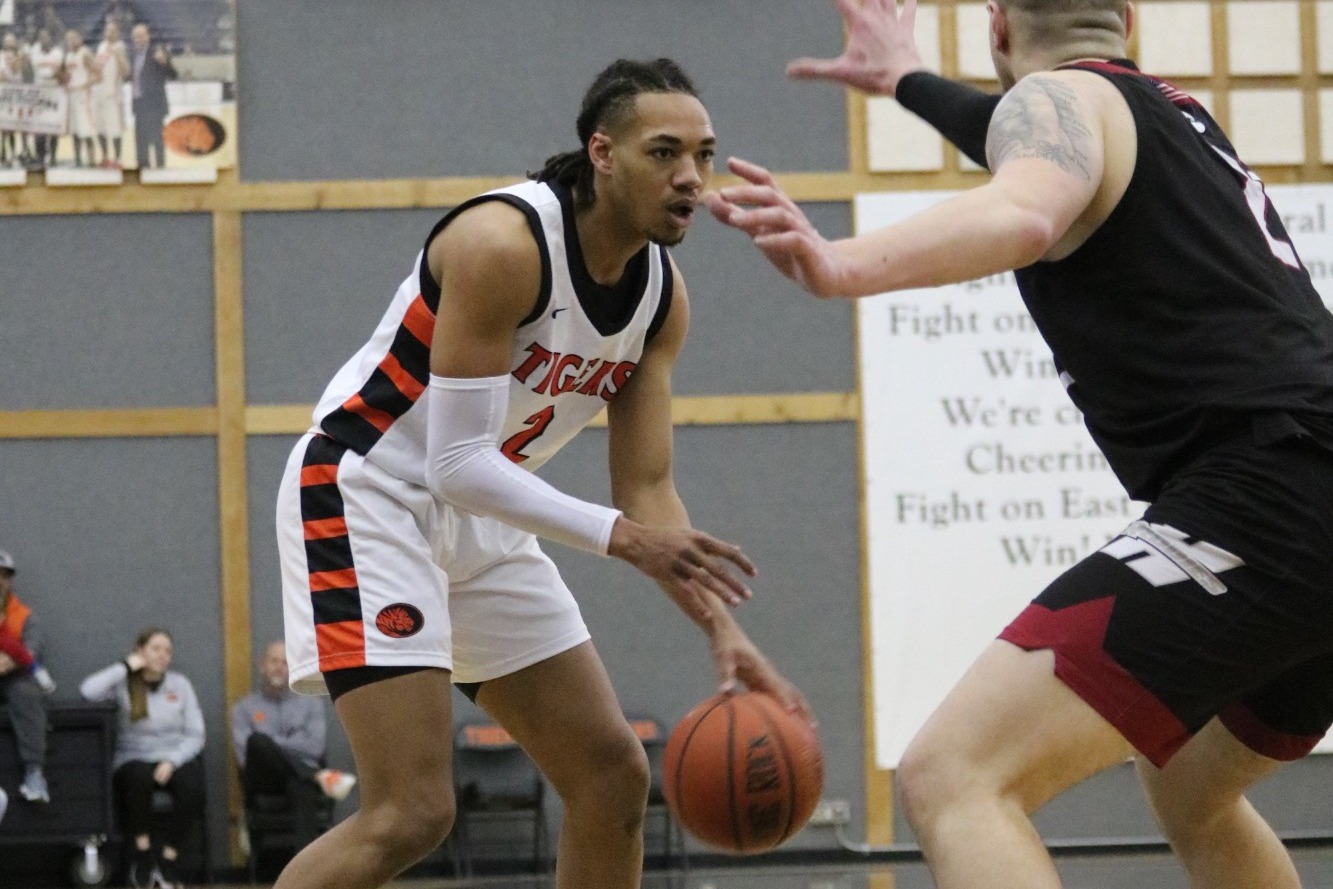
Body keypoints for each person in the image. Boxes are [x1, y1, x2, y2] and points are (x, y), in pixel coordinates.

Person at [707, 2, 1333, 888]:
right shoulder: (1172, 117)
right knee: (1189, 789)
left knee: (955, 776)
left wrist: (838, 261)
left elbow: (1028, 206)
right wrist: (905, 82)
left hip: (1269, 492)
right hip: (1306, 481)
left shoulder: (1053, 105)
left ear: (996, 29)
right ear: (1123, 19)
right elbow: (1022, 144)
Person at [273, 57, 811, 889]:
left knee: (611, 775)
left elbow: (646, 491)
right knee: (411, 811)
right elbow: (455, 462)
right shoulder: (503, 243)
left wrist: (722, 631)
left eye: (703, 155)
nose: (690, 178)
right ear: (601, 152)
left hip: (482, 514)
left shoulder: (660, 299)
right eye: (663, 153)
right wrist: (623, 541)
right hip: (368, 493)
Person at [80, 627, 205, 889]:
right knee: (137, 778)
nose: (163, 655)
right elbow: (88, 691)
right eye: (156, 649)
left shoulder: (179, 685)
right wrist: (125, 666)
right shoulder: (124, 682)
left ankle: (169, 859)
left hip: (171, 757)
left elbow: (196, 733)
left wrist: (173, 760)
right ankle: (143, 855)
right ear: (140, 651)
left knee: (192, 786)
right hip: (133, 758)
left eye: (168, 651)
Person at [231, 641, 355, 855]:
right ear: (262, 665)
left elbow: (315, 747)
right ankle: (318, 776)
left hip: (297, 777)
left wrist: (274, 743)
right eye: (274, 661)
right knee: (257, 742)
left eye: (285, 663)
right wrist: (286, 743)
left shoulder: (311, 704)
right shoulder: (243, 709)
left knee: (301, 783)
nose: (279, 667)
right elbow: (245, 756)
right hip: (262, 780)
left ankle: (304, 864)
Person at [0, 548, 55, 805]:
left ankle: (34, 774)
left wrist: (7, 662)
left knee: (27, 693)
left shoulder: (23, 616)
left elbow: (31, 649)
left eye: (4, 575)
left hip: (14, 677)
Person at [129, 23, 174, 170]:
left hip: (154, 104)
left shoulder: (157, 52)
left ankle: (160, 166)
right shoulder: (132, 55)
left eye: (141, 35)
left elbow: (173, 74)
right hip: (139, 102)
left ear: (148, 36)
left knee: (157, 137)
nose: (138, 39)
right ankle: (143, 166)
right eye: (135, 36)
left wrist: (164, 62)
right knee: (141, 138)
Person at [92, 20, 129, 168]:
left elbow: (125, 71)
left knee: (115, 129)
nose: (109, 33)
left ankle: (118, 158)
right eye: (107, 31)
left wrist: (118, 56)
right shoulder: (101, 46)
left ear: (117, 32)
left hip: (113, 95)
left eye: (112, 31)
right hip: (98, 93)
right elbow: (97, 67)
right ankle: (105, 156)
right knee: (100, 127)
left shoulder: (120, 47)